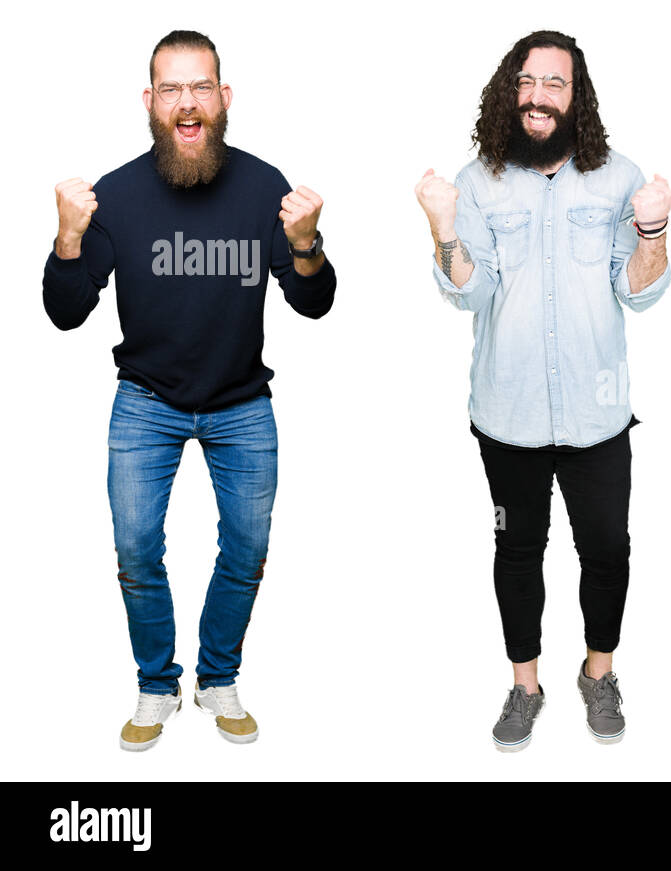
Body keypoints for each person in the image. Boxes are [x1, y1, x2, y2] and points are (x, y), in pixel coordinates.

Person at [42, 30, 337, 751]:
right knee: (137, 548)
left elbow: (315, 302)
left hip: (242, 403)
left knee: (247, 548)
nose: (186, 101)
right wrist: (67, 237)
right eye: (170, 88)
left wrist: (306, 243)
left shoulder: (267, 186)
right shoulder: (113, 195)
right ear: (150, 102)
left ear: (223, 98)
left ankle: (217, 676)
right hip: (146, 401)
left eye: (200, 86)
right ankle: (154, 685)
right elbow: (64, 310)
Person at [414, 30, 671, 752]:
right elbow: (470, 293)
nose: (537, 96)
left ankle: (600, 672)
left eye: (554, 83)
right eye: (527, 82)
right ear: (509, 89)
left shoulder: (621, 179)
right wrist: (442, 230)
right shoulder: (476, 181)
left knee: (607, 550)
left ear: (575, 95)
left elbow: (638, 290)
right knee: (517, 550)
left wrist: (653, 228)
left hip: (599, 416)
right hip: (507, 415)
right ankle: (525, 685)